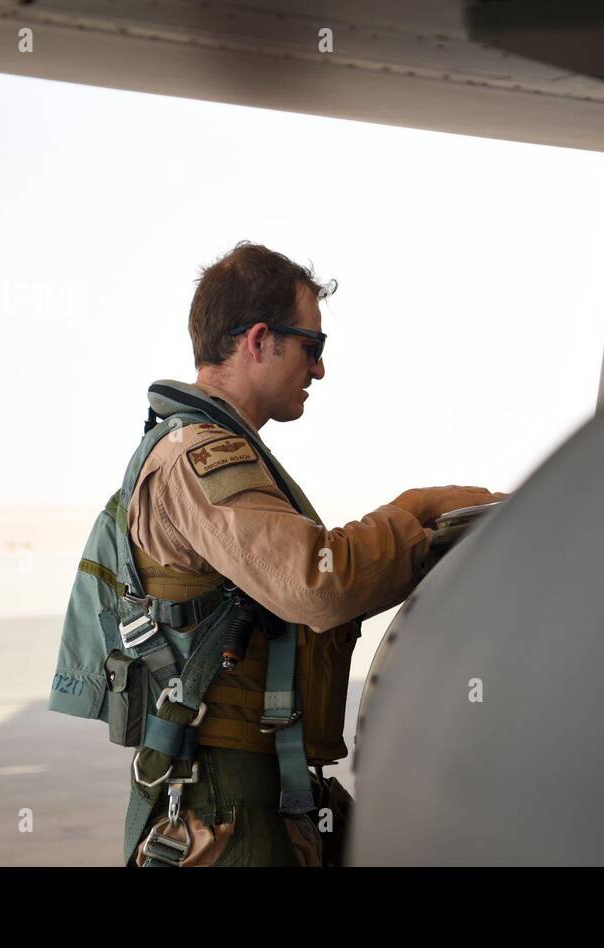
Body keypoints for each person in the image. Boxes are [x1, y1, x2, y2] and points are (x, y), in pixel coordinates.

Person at [124, 241, 505, 865]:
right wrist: (414, 517)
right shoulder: (198, 457)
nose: (319, 369)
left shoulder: (218, 452)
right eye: (311, 347)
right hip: (224, 801)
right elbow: (313, 585)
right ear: (257, 339)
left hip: (255, 784)